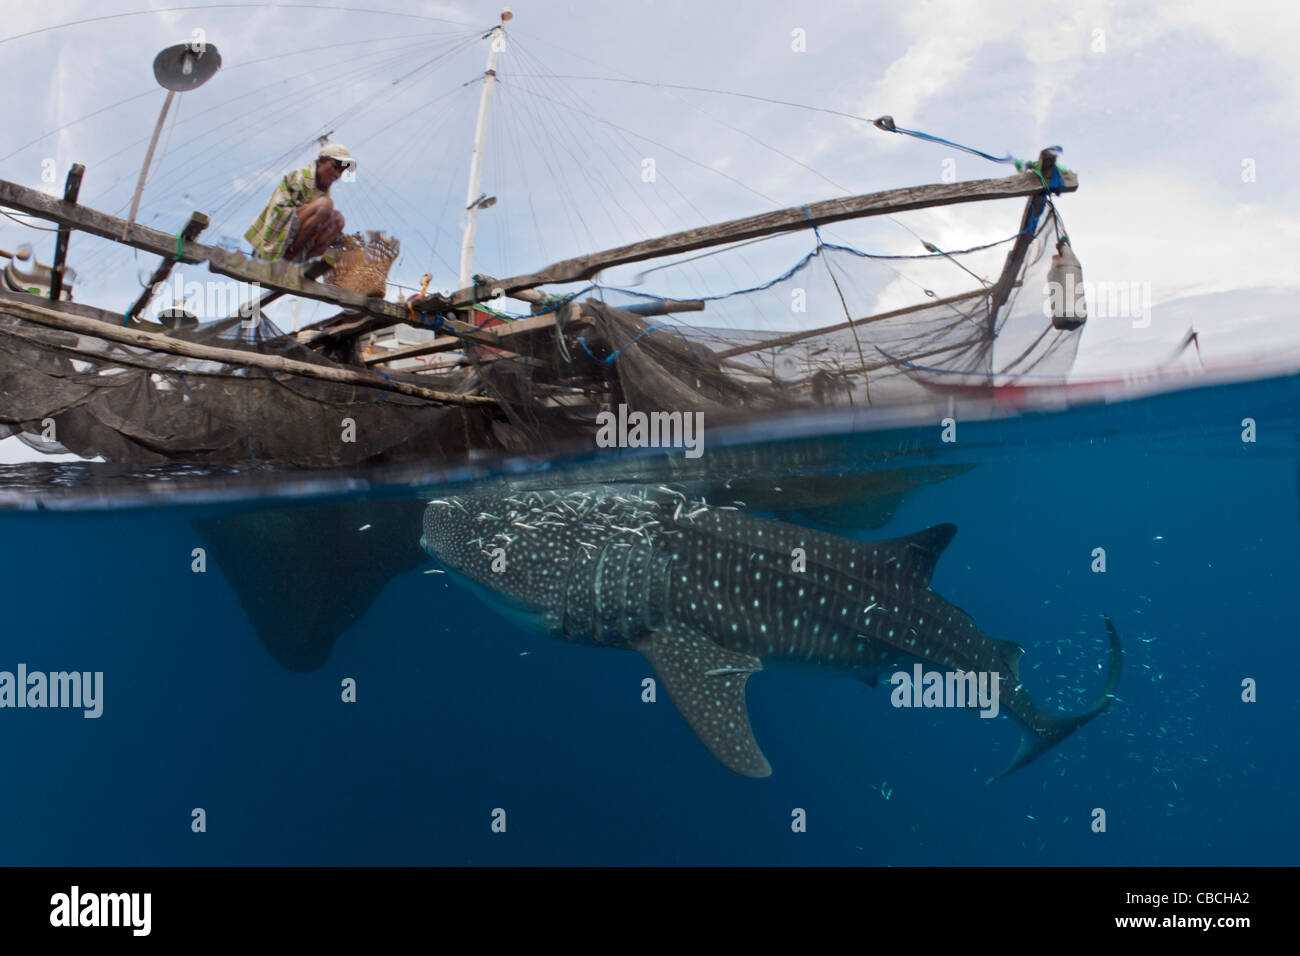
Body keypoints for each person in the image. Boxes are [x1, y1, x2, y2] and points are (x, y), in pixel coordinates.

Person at [245, 144, 355, 263]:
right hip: (275, 242)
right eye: (334, 167)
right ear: (320, 162)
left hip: (297, 245)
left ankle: (302, 264)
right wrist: (318, 211)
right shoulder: (298, 177)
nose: (337, 175)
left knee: (338, 219)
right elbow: (278, 213)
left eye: (341, 172)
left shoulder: (324, 192)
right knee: (325, 205)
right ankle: (287, 262)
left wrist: (333, 234)